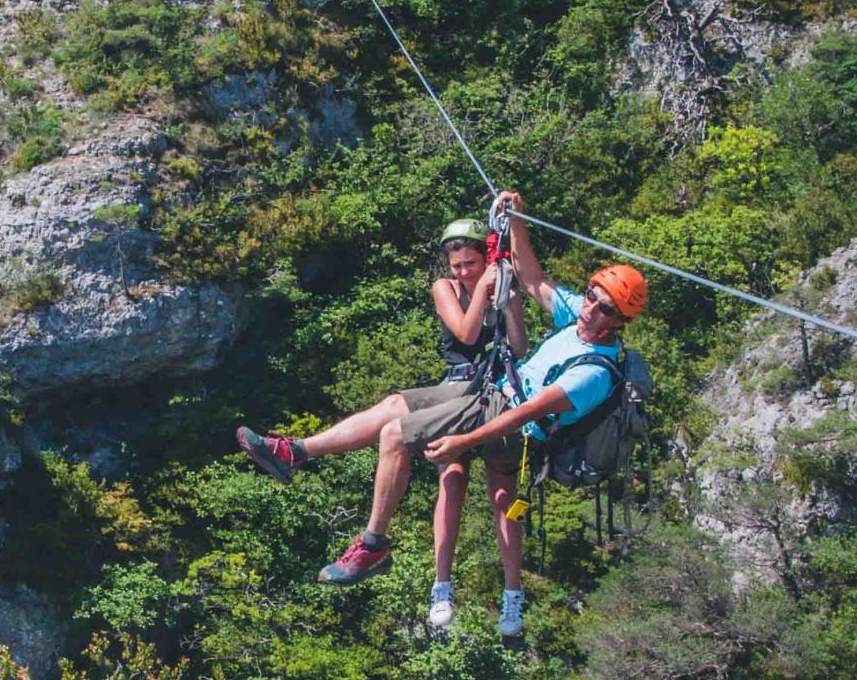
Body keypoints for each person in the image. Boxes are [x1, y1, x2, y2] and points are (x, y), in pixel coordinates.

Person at [234, 191, 647, 640]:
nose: (590, 308)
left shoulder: (594, 373)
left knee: (396, 435)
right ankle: (294, 452)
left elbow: (524, 412)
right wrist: (519, 220)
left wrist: (463, 442)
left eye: (604, 307)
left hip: (512, 423)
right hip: (492, 395)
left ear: (620, 320)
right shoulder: (574, 321)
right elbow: (532, 278)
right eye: (590, 296)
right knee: (395, 408)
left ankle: (372, 545)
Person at [424, 219, 526, 634]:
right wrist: (483, 287)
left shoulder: (500, 285)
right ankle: (441, 586)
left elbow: (518, 348)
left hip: (498, 390)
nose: (463, 271)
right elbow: (465, 330)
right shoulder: (444, 289)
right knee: (453, 480)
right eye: (457, 265)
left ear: (484, 257)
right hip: (457, 388)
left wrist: (511, 303)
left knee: (504, 496)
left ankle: (513, 596)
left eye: (470, 263)